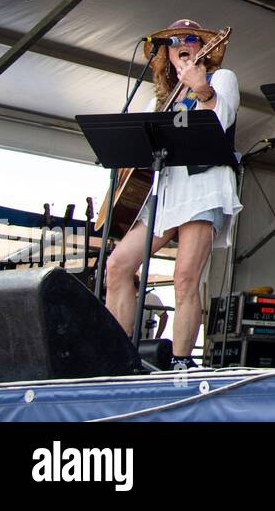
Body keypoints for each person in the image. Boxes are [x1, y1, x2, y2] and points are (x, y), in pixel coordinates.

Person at [104, 19, 240, 367]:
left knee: (184, 278)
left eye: (191, 38)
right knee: (118, 265)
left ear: (202, 47)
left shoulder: (220, 79)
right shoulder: (162, 101)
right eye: (174, 39)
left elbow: (220, 122)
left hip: (203, 189)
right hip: (165, 193)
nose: (183, 43)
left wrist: (203, 91)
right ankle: (118, 359)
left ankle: (181, 362)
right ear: (165, 52)